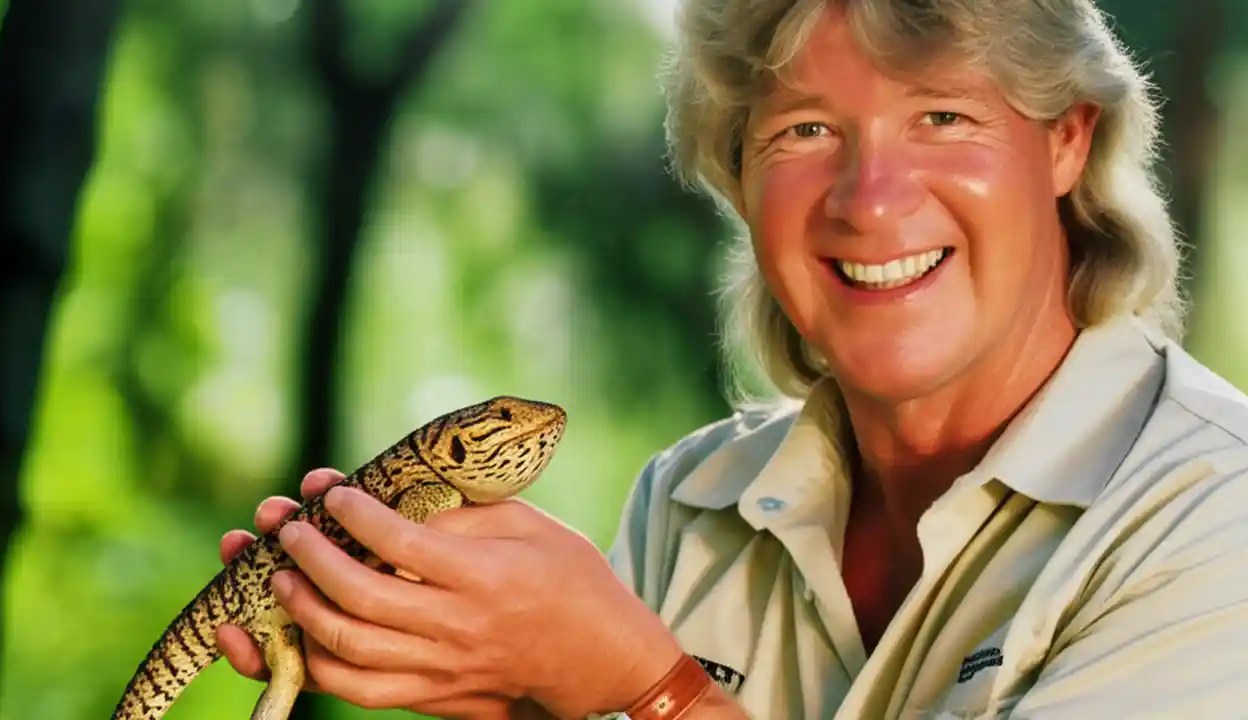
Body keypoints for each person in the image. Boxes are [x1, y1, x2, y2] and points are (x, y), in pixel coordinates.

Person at [216, 0, 1248, 717]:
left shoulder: (1215, 516)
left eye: (942, 116)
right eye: (802, 130)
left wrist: (644, 685)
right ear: (738, 179)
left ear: (1066, 142)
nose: (868, 199)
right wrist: (516, 696)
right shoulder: (690, 502)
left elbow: (633, 689)